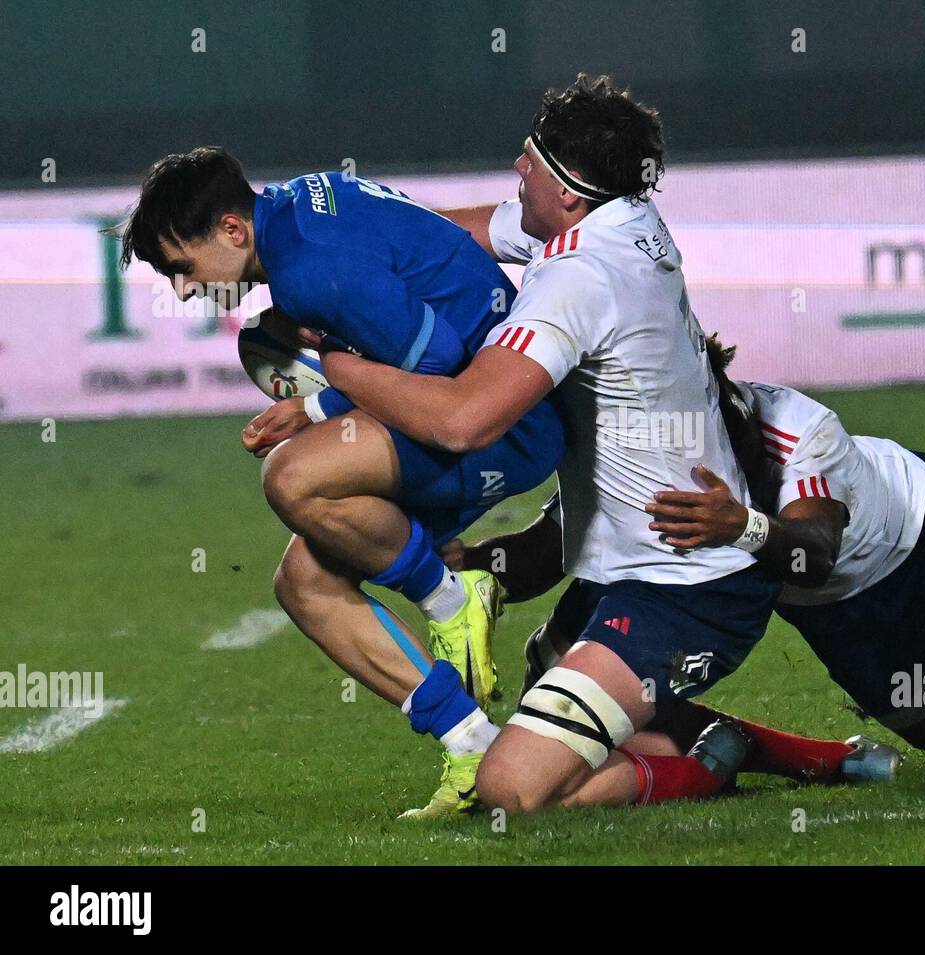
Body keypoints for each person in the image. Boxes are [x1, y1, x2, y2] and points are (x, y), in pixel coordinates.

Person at [318, 74, 890, 812]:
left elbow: (464, 419)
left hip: (686, 586)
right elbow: (446, 236)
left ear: (569, 191)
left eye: (527, 161)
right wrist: (340, 238)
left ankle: (710, 767)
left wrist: (336, 365)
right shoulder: (620, 215)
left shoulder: (583, 276)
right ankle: (806, 756)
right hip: (627, 563)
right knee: (564, 703)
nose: (516, 171)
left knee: (514, 788)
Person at [450, 338, 925, 769]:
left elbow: (811, 552)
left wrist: (740, 526)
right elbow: (560, 539)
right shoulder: (652, 449)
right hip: (843, 608)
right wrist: (468, 565)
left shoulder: (797, 428)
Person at [113, 147, 567, 816]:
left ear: (233, 230)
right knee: (306, 584)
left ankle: (451, 599)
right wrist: (317, 400)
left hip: (504, 420)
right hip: (488, 406)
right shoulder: (302, 202)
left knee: (293, 476)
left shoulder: (308, 271)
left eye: (182, 267)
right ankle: (473, 742)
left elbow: (438, 363)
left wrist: (323, 391)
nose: (183, 290)